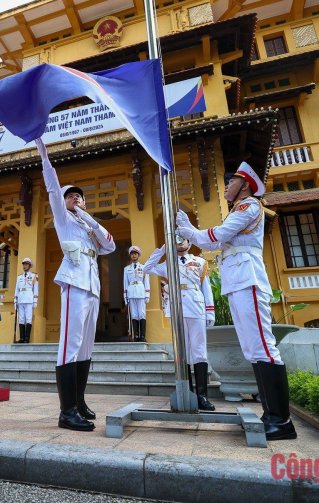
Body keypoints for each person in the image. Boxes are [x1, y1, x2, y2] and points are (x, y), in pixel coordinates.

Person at [176, 161, 297, 440]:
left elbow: (216, 235)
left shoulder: (249, 206)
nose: (227, 185)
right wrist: (187, 227)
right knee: (253, 348)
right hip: (237, 281)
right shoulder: (237, 211)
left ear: (245, 185)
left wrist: (191, 231)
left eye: (231, 181)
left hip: (248, 279)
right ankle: (271, 415)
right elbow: (212, 244)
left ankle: (281, 420)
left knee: (263, 347)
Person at [36, 139, 116, 431]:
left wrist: (89, 218)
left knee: (85, 349)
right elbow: (53, 188)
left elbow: (110, 245)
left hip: (92, 287)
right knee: (70, 346)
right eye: (71, 197)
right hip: (74, 284)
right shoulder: (64, 220)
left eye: (79, 197)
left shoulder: (87, 226)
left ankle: (79, 402)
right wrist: (44, 155)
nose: (75, 199)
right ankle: (66, 411)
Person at [143, 238, 216, 411]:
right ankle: (187, 393)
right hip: (177, 307)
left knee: (199, 350)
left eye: (183, 240)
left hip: (196, 305)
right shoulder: (167, 263)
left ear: (189, 243)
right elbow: (146, 268)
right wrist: (162, 249)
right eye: (175, 241)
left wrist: (210, 310)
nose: (180, 244)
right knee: (181, 351)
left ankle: (202, 396)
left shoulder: (200, 261)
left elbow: (206, 288)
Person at [123, 246, 150, 342]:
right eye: (132, 254)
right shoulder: (126, 269)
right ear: (130, 256)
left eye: (135, 254)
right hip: (131, 292)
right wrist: (125, 297)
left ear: (138, 255)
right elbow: (125, 283)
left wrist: (147, 294)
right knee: (134, 314)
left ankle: (142, 336)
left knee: (142, 314)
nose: (134, 255)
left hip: (141, 291)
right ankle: (136, 336)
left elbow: (146, 281)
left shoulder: (143, 267)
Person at [13, 258, 38, 343]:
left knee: (28, 318)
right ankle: (22, 338)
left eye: (26, 264)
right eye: (23, 264)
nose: (24, 266)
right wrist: (15, 300)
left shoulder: (34, 276)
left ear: (30, 266)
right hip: (21, 298)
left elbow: (36, 289)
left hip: (29, 298)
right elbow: (17, 289)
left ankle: (27, 338)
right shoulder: (19, 277)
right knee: (21, 318)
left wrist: (35, 300)